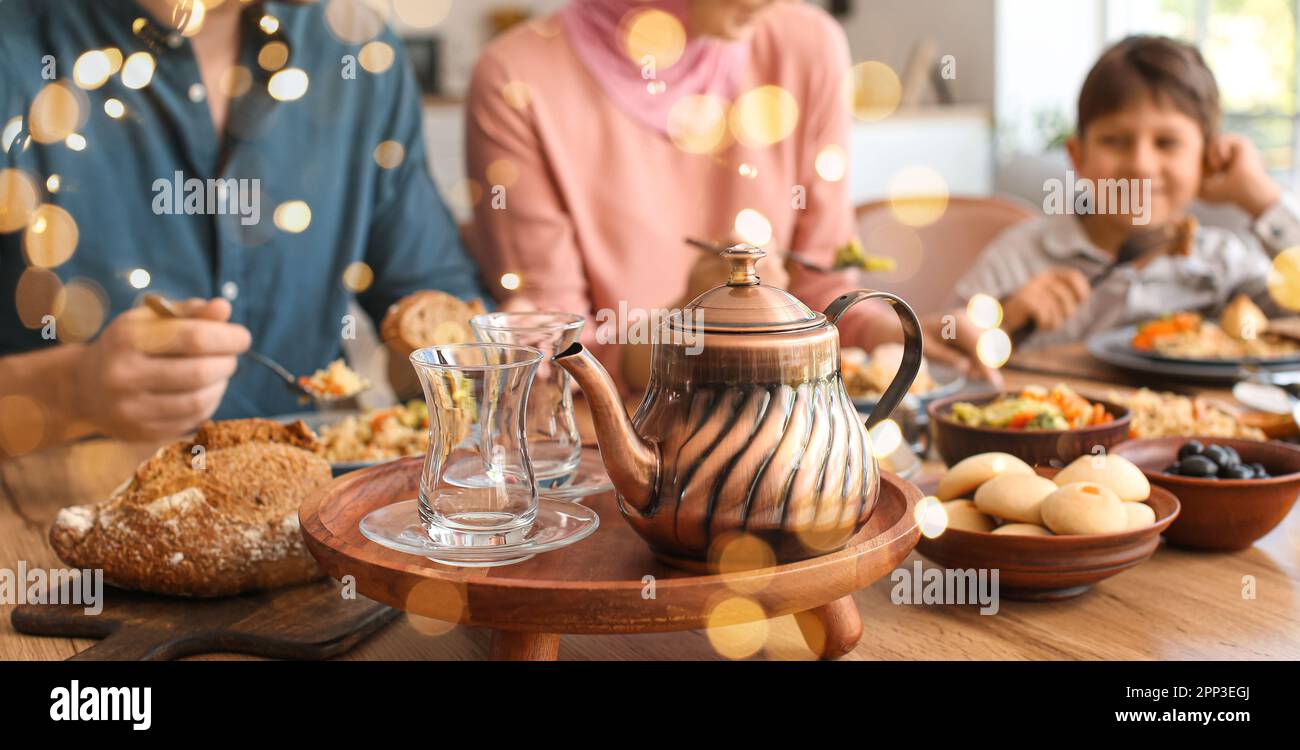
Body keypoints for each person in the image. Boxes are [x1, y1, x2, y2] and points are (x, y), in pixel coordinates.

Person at [0, 0, 486, 455]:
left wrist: (474, 357)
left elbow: (435, 308)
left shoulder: (354, 50)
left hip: (311, 511)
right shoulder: (15, 47)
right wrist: (72, 390)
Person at [465, 0, 928, 392]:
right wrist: (689, 326)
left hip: (786, 440)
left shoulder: (808, 46)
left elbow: (822, 288)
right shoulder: (516, 81)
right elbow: (554, 355)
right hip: (621, 460)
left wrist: (887, 333)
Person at [947, 35, 1300, 353]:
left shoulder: (1223, 264)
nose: (1141, 165)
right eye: (1115, 141)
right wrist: (1003, 322)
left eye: (1167, 143)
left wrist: (1261, 197)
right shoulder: (1018, 257)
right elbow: (940, 353)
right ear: (1077, 156)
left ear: (1206, 159)